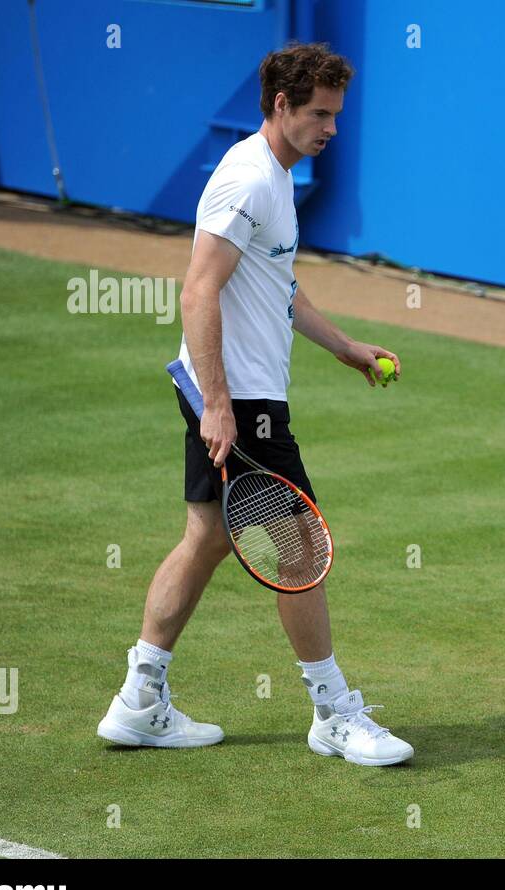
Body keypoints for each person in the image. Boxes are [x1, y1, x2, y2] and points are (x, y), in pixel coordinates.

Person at [97, 42, 413, 766]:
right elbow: (198, 289)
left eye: (337, 113)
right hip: (239, 399)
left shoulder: (273, 180)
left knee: (206, 537)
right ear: (281, 106)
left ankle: (139, 700)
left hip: (228, 390)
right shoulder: (249, 181)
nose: (331, 127)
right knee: (302, 550)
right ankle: (333, 713)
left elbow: (279, 290)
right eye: (320, 113)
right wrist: (219, 404)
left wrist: (346, 347)